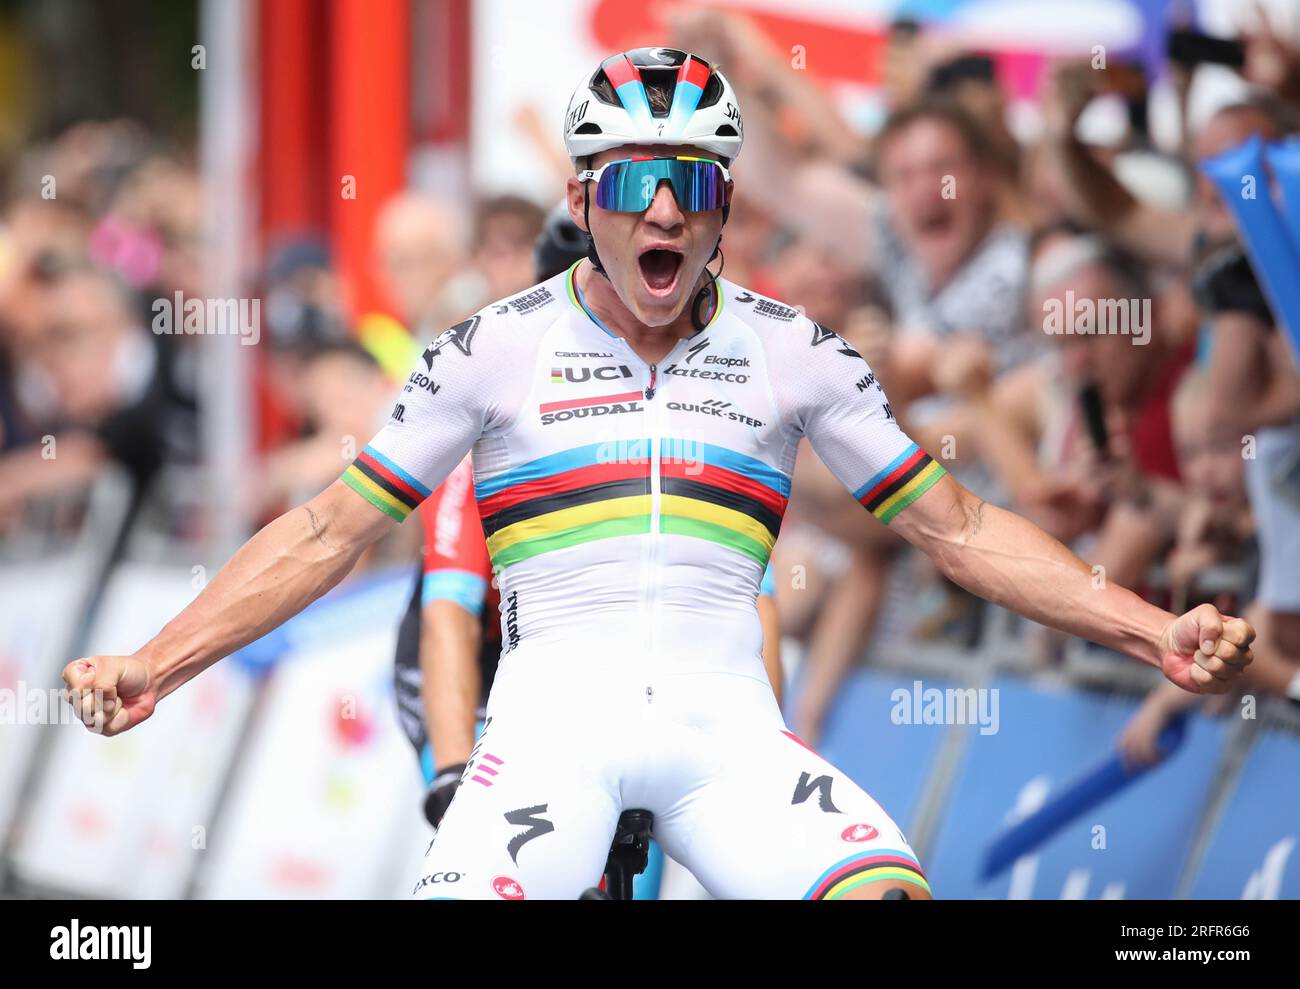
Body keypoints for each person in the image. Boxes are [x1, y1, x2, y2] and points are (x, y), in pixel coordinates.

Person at [64, 47, 1254, 901]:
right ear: (584, 199)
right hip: (545, 742)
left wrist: (1148, 627)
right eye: (636, 181)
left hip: (726, 741)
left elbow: (957, 526)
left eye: (695, 181)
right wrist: (154, 661)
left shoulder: (796, 351)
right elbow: (327, 532)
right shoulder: (492, 347)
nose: (666, 209)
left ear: (726, 200)